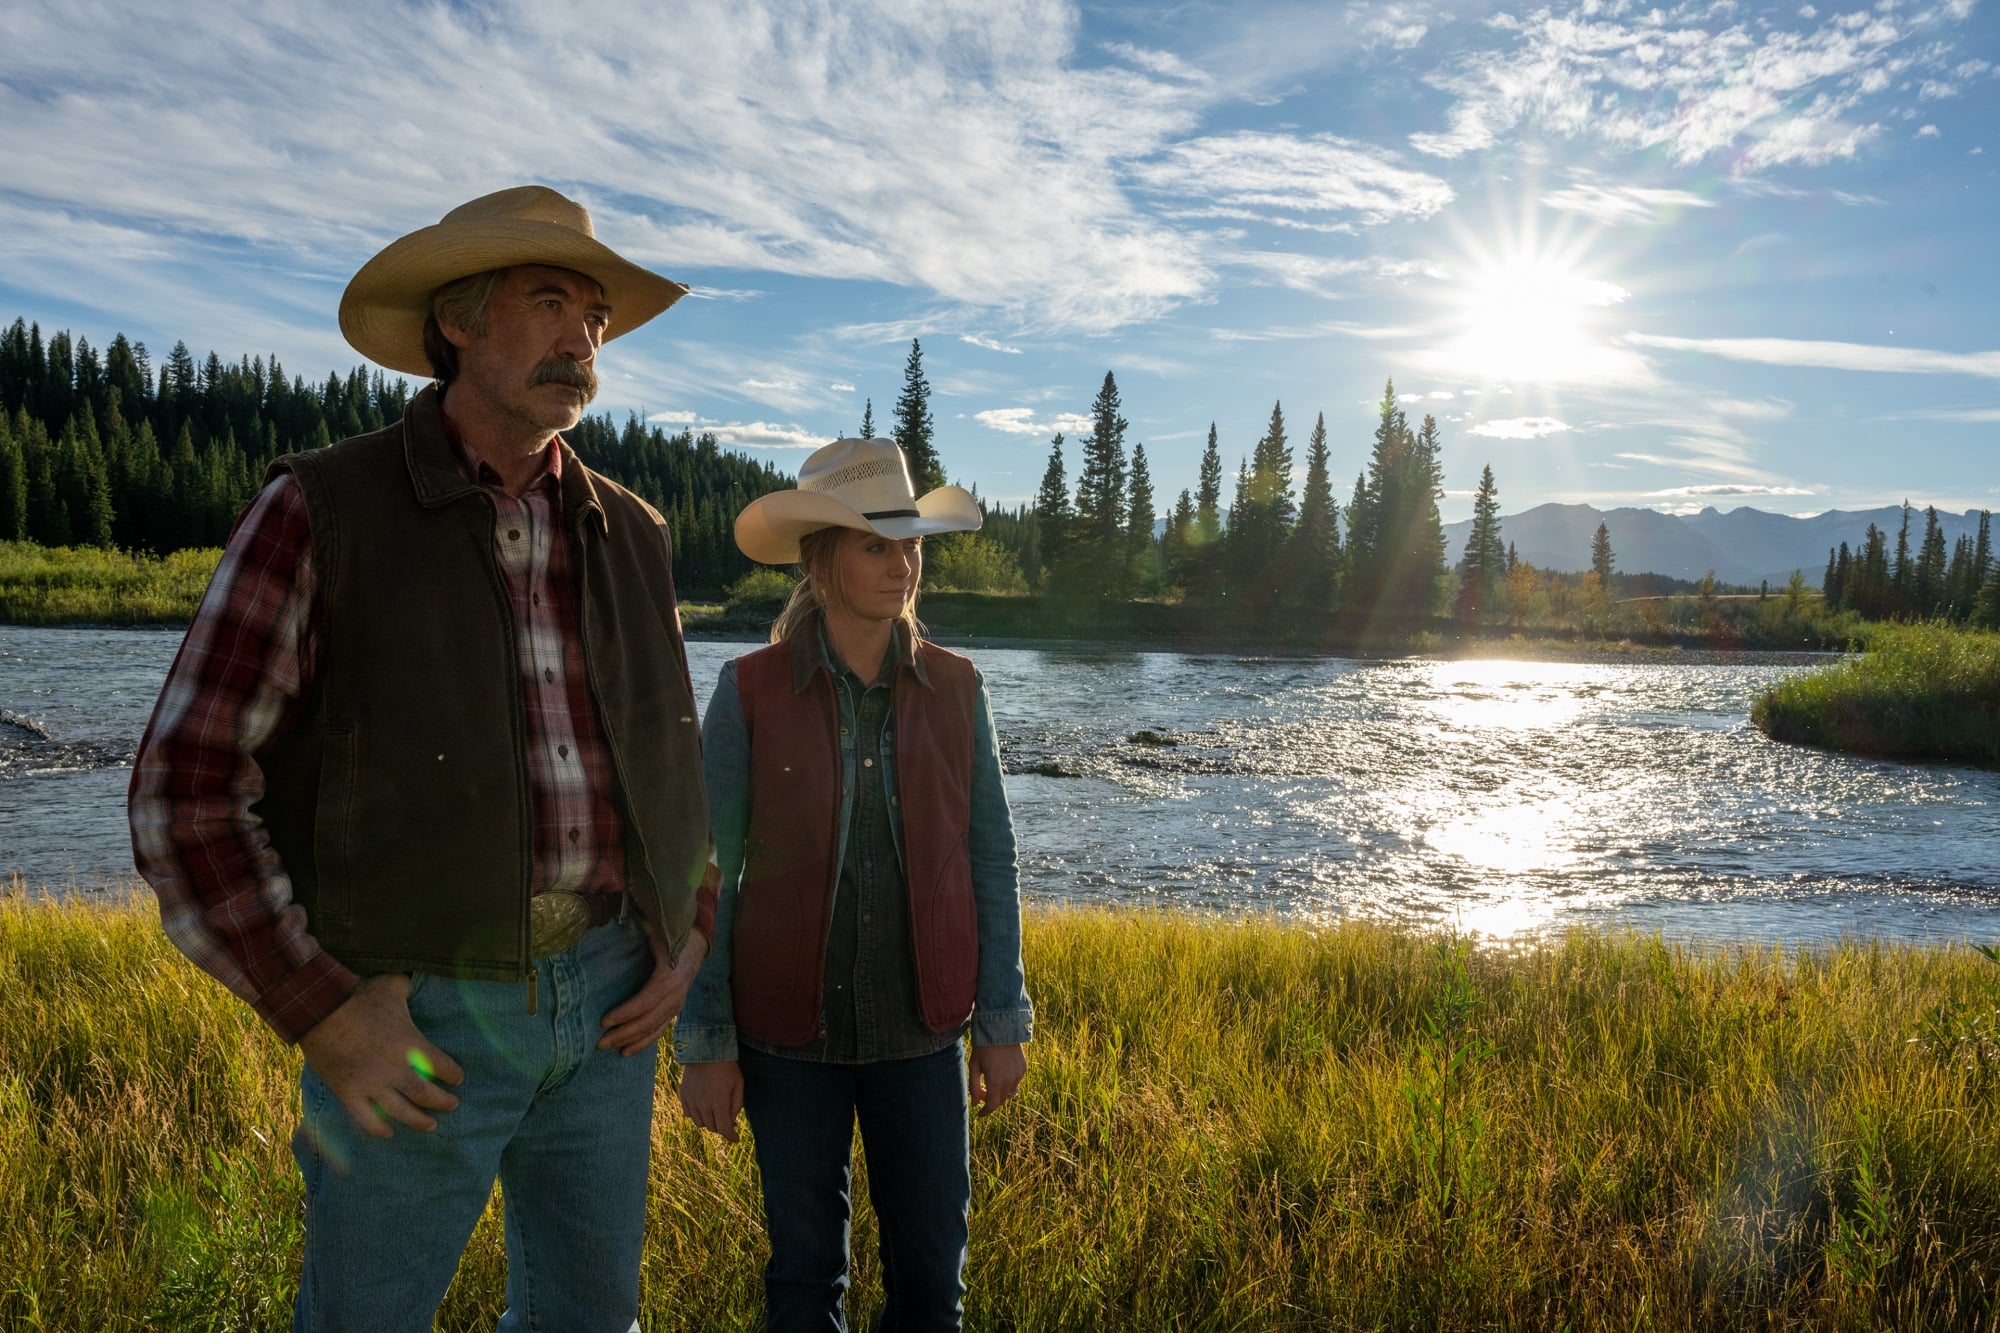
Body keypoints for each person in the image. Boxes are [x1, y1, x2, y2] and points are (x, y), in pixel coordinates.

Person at [128, 185, 715, 1333]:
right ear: (457, 319)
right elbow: (183, 794)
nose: (582, 339)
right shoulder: (322, 508)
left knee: (592, 1322)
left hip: (610, 1002)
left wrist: (687, 930)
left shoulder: (632, 532)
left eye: (595, 316)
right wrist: (326, 1012)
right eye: (549, 302)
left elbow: (674, 762)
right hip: (413, 1014)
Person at [675, 437, 1034, 1331]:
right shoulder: (748, 689)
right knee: (804, 1280)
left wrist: (1001, 1020)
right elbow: (706, 871)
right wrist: (707, 1038)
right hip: (787, 1039)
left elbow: (990, 857)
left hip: (924, 1034)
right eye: (877, 546)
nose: (902, 564)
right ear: (819, 560)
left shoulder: (958, 686)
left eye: (910, 545)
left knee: (932, 1287)